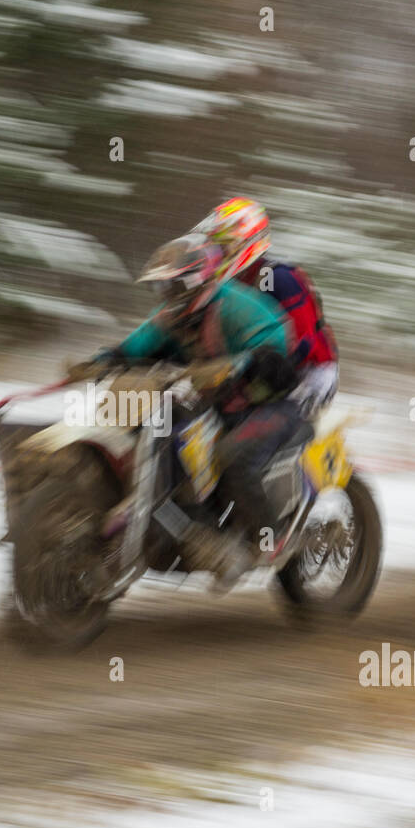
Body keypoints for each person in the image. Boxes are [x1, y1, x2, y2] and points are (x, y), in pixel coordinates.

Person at [88, 232, 307, 587]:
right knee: (169, 442)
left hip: (268, 405)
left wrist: (250, 362)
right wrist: (104, 360)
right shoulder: (170, 317)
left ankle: (273, 539)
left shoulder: (235, 305)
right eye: (161, 289)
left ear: (194, 283)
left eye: (172, 288)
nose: (165, 298)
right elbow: (135, 346)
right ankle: (200, 532)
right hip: (215, 406)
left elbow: (275, 342)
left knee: (233, 457)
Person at [193, 197, 340, 418]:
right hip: (250, 367)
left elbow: (304, 340)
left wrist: (254, 375)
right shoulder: (223, 285)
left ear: (245, 244)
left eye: (222, 247)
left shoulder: (276, 278)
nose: (216, 254)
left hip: (309, 371)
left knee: (257, 426)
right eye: (213, 247)